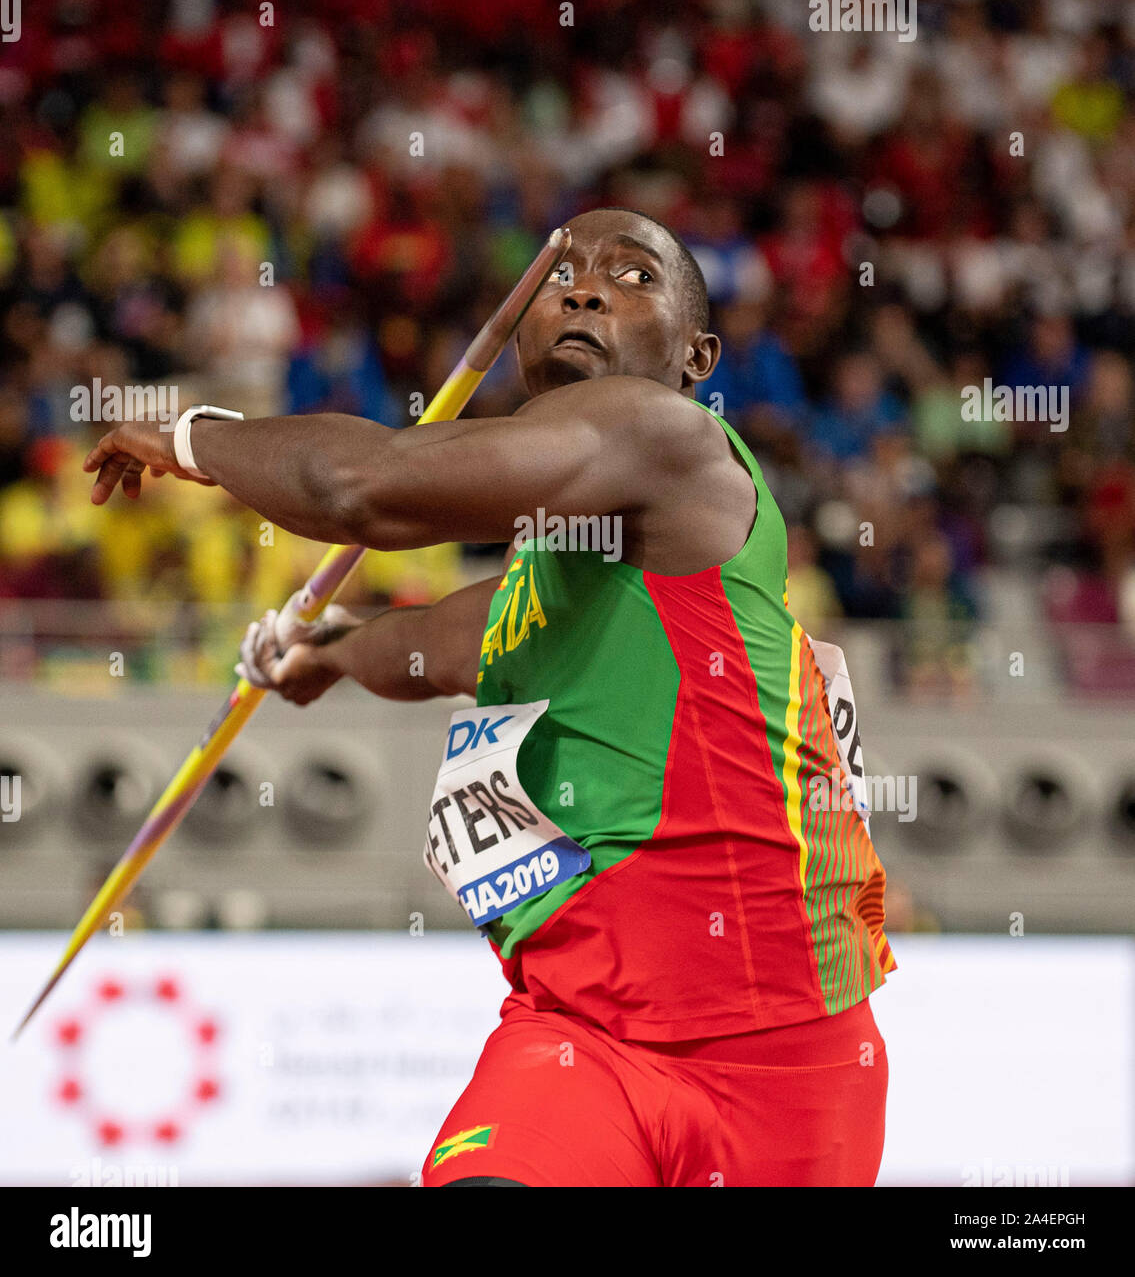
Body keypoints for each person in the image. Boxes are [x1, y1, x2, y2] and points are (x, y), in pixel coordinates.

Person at [83, 207, 896, 1187]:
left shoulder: (667, 436)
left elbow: (359, 489)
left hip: (780, 1050)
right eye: (561, 276)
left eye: (632, 276)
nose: (585, 287)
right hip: (579, 1036)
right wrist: (328, 652)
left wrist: (192, 434)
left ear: (695, 356)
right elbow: (432, 643)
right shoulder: (556, 563)